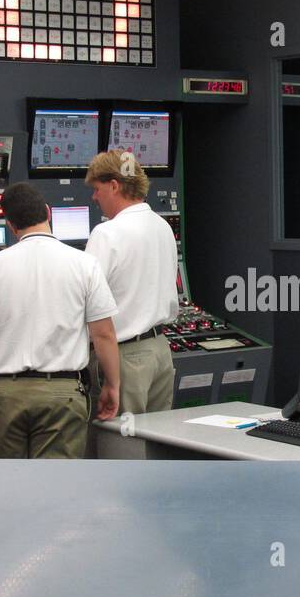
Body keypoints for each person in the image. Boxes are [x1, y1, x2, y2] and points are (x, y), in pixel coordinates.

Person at [0, 182, 120, 459]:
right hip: (62, 395)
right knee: (54, 492)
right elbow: (103, 333)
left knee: (6, 489)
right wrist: (112, 385)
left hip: (4, 395)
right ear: (47, 212)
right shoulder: (84, 264)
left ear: (11, 226)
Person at [84, 150, 179, 415]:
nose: (94, 197)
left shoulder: (106, 233)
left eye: (97, 188)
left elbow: (88, 301)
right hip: (160, 351)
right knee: (155, 444)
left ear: (114, 185)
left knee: (121, 446)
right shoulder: (163, 227)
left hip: (125, 357)